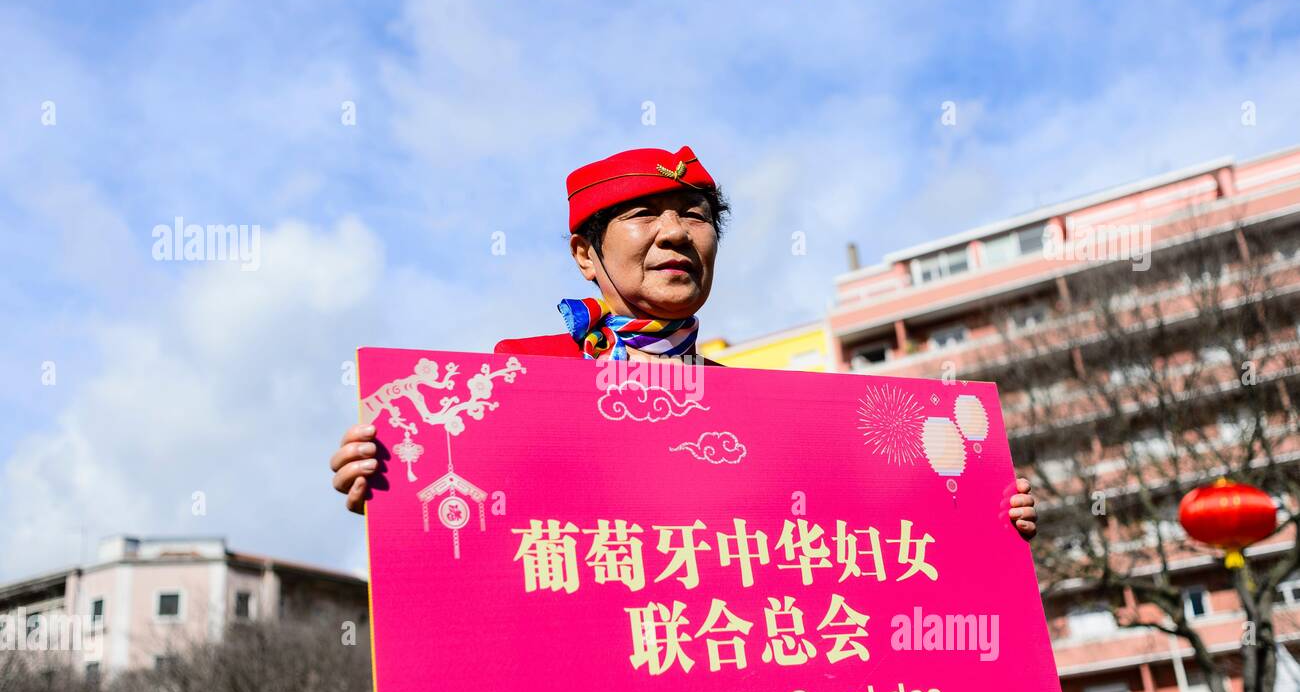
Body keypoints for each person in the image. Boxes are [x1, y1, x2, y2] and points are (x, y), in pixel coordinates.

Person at [330, 144, 1040, 539]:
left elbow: (860, 536)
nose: (676, 233)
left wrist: (978, 516)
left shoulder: (757, 405)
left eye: (695, 216)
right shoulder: (517, 376)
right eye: (646, 214)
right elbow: (467, 534)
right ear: (586, 254)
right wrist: (384, 482)